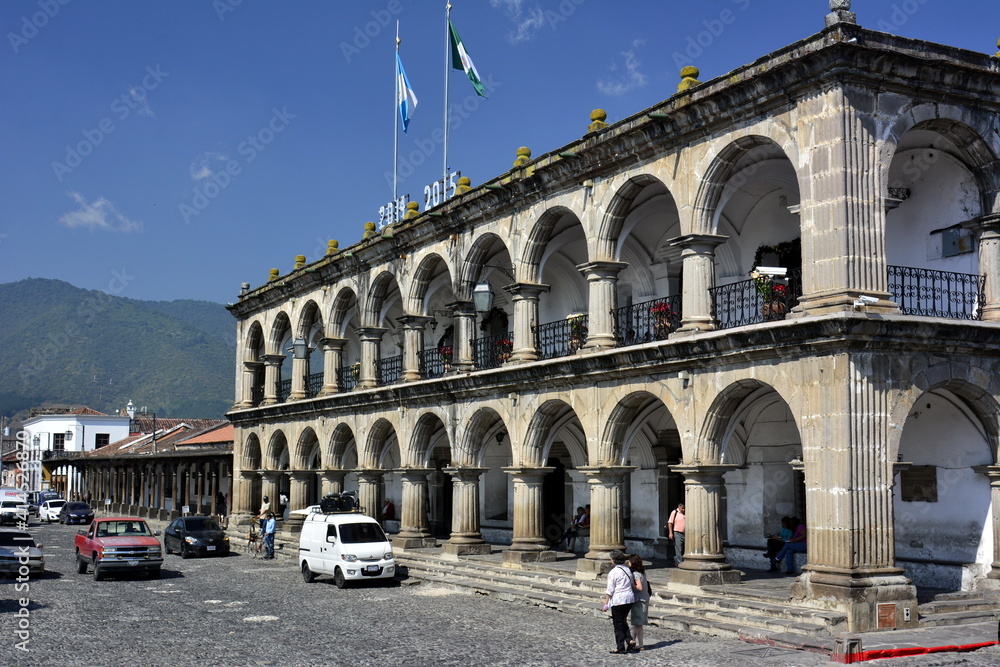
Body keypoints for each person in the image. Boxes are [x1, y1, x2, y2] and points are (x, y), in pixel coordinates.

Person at [602, 550, 637, 655]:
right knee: (622, 620)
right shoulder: (627, 569)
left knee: (618, 624)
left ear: (613, 560)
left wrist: (606, 603)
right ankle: (630, 640)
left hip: (618, 600)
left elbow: (610, 590)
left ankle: (620, 647)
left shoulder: (613, 572)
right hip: (629, 599)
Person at [627, 554, 650, 651]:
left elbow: (639, 587)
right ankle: (633, 641)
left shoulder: (636, 574)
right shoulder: (642, 573)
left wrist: (631, 585)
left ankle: (640, 644)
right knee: (635, 624)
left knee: (638, 624)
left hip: (639, 600)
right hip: (643, 599)